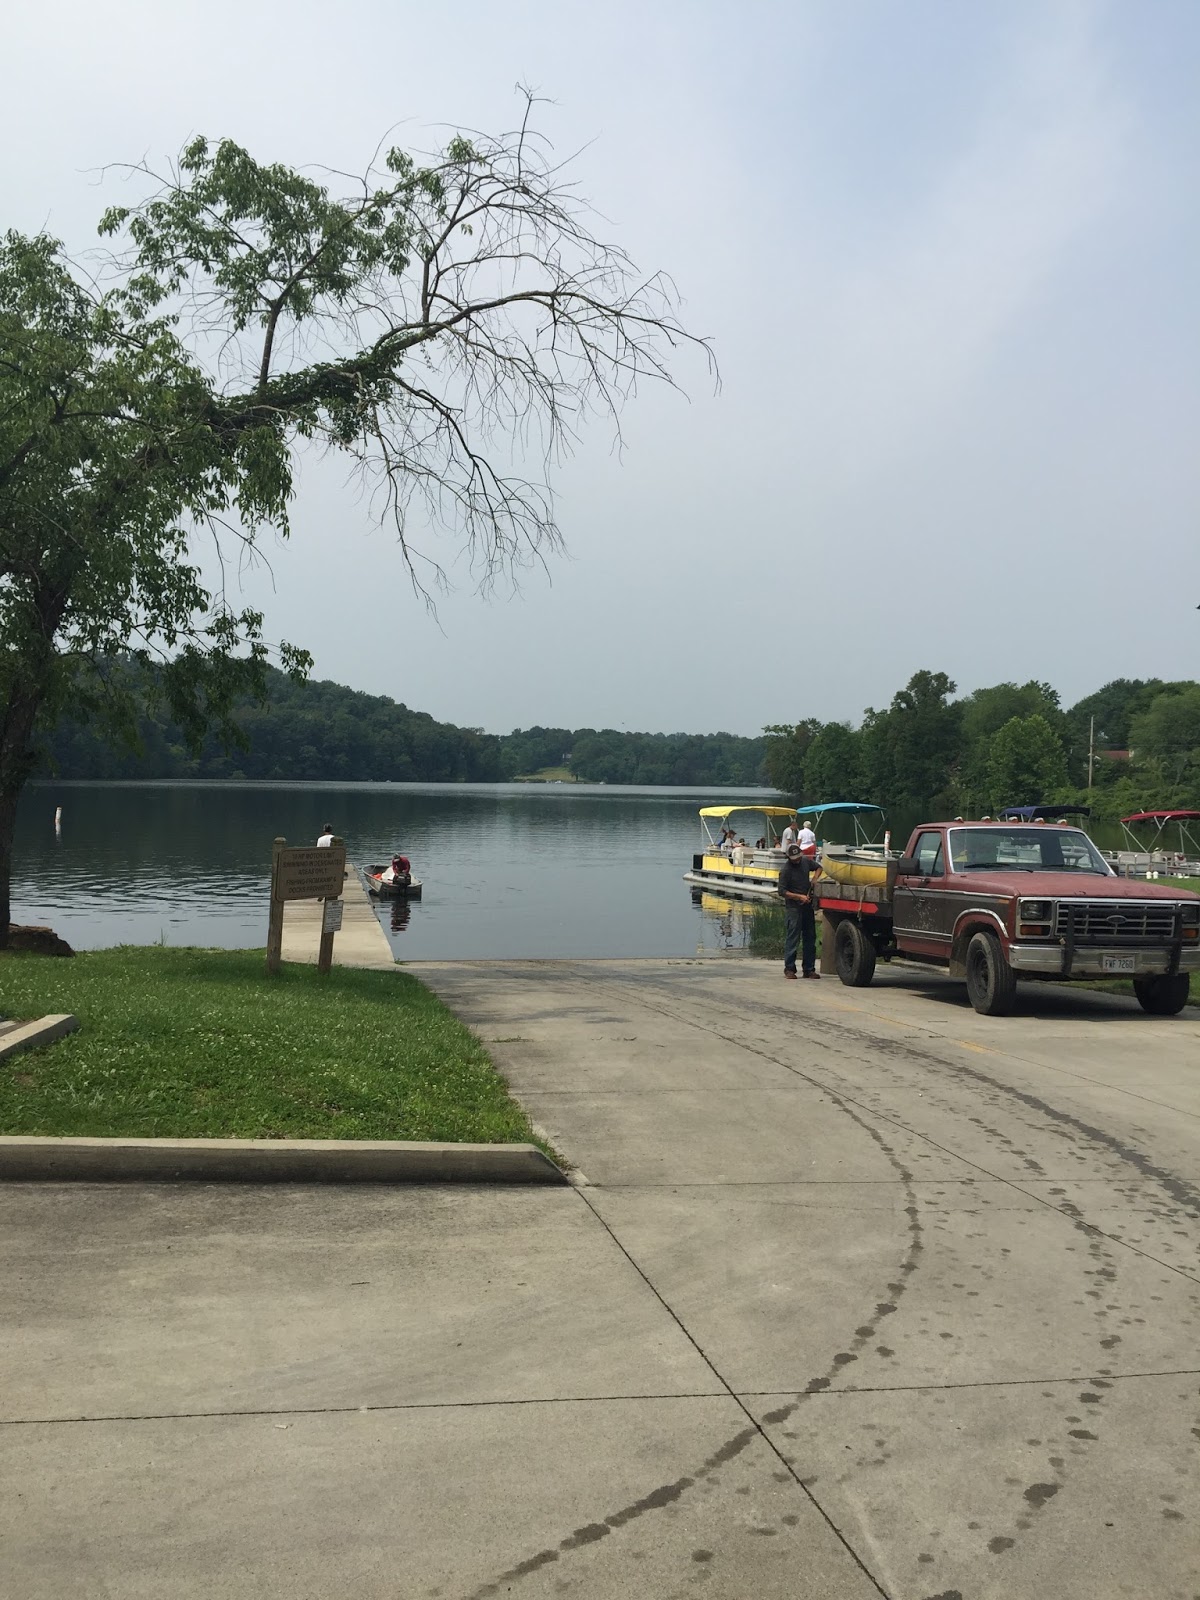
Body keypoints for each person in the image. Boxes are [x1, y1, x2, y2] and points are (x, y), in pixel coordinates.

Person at [777, 842, 821, 979]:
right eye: (794, 858)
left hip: (807, 906)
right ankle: (789, 968)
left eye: (798, 857)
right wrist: (798, 897)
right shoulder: (786, 870)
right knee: (793, 938)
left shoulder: (805, 862)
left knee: (810, 937)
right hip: (794, 908)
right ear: (789, 857)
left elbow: (819, 867)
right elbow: (782, 891)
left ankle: (809, 969)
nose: (797, 860)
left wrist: (814, 878)